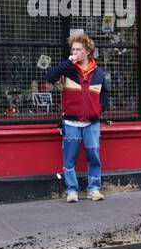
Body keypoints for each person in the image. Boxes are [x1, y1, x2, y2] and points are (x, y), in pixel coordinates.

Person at [45, 33, 107, 202]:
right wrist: (68, 63)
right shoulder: (68, 69)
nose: (74, 52)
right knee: (69, 158)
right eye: (73, 49)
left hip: (92, 123)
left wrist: (99, 109)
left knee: (94, 157)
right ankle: (72, 190)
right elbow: (50, 77)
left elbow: (104, 94)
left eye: (78, 49)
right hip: (71, 121)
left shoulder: (99, 73)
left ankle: (94, 189)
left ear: (87, 51)